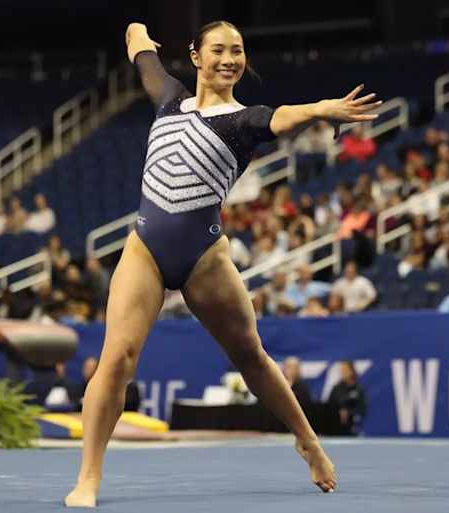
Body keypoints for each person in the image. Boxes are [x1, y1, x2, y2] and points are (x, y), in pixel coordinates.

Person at [63, 20, 374, 506]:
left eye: (238, 51)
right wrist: (137, 29)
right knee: (116, 358)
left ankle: (308, 441)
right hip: (144, 249)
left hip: (204, 258)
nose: (230, 59)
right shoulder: (168, 97)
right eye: (219, 50)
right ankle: (89, 478)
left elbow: (282, 117)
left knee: (250, 355)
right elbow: (140, 51)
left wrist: (320, 109)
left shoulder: (243, 120)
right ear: (195, 56)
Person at [328, 361, 366, 435]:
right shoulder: (336, 389)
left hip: (352, 429)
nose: (343, 373)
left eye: (345, 370)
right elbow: (329, 407)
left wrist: (349, 413)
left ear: (351, 371)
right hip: (336, 429)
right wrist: (337, 414)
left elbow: (362, 409)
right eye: (341, 370)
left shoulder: (358, 389)